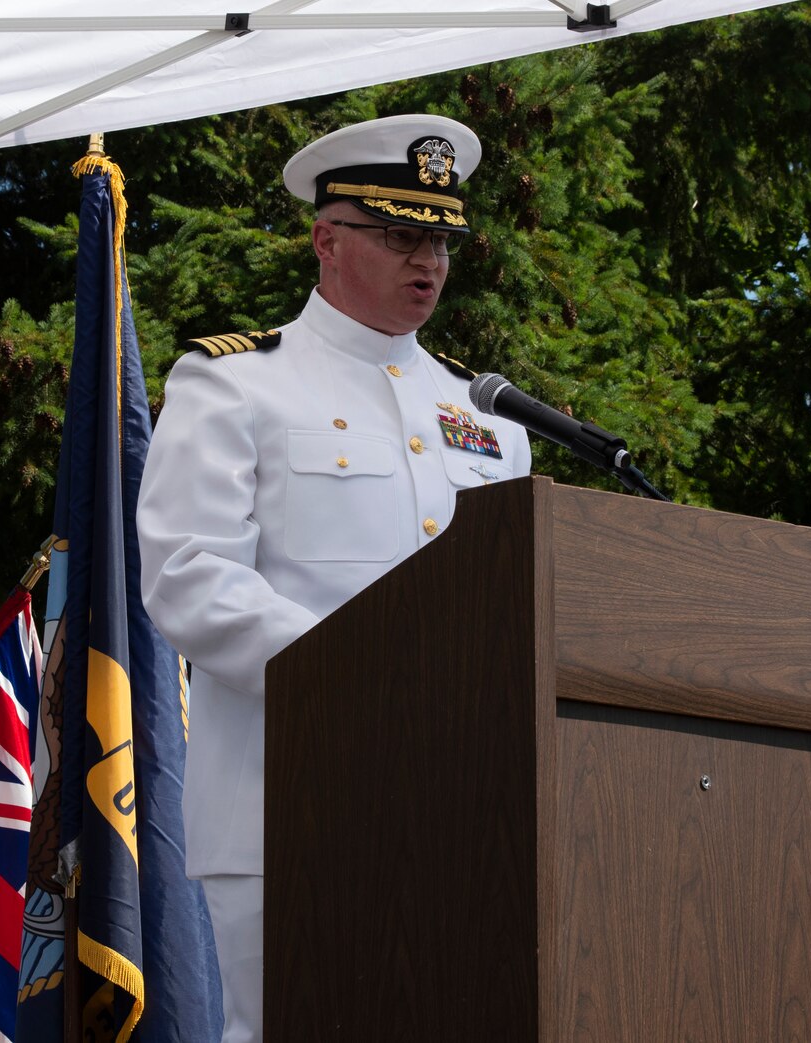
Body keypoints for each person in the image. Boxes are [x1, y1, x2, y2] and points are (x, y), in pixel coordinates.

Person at [136, 114, 531, 1043]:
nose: (427, 260)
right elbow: (190, 573)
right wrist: (364, 668)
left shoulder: (490, 417)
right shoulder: (236, 384)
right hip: (289, 799)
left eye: (440, 240)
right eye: (400, 234)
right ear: (327, 239)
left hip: (464, 805)